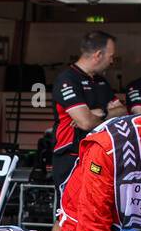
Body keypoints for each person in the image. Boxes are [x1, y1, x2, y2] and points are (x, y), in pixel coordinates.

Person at [50, 31, 126, 197]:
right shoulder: (67, 79)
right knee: (67, 217)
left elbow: (122, 111)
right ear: (99, 55)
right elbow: (85, 122)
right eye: (111, 56)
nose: (112, 61)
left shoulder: (100, 81)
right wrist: (101, 116)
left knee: (94, 212)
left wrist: (102, 113)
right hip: (71, 156)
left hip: (98, 154)